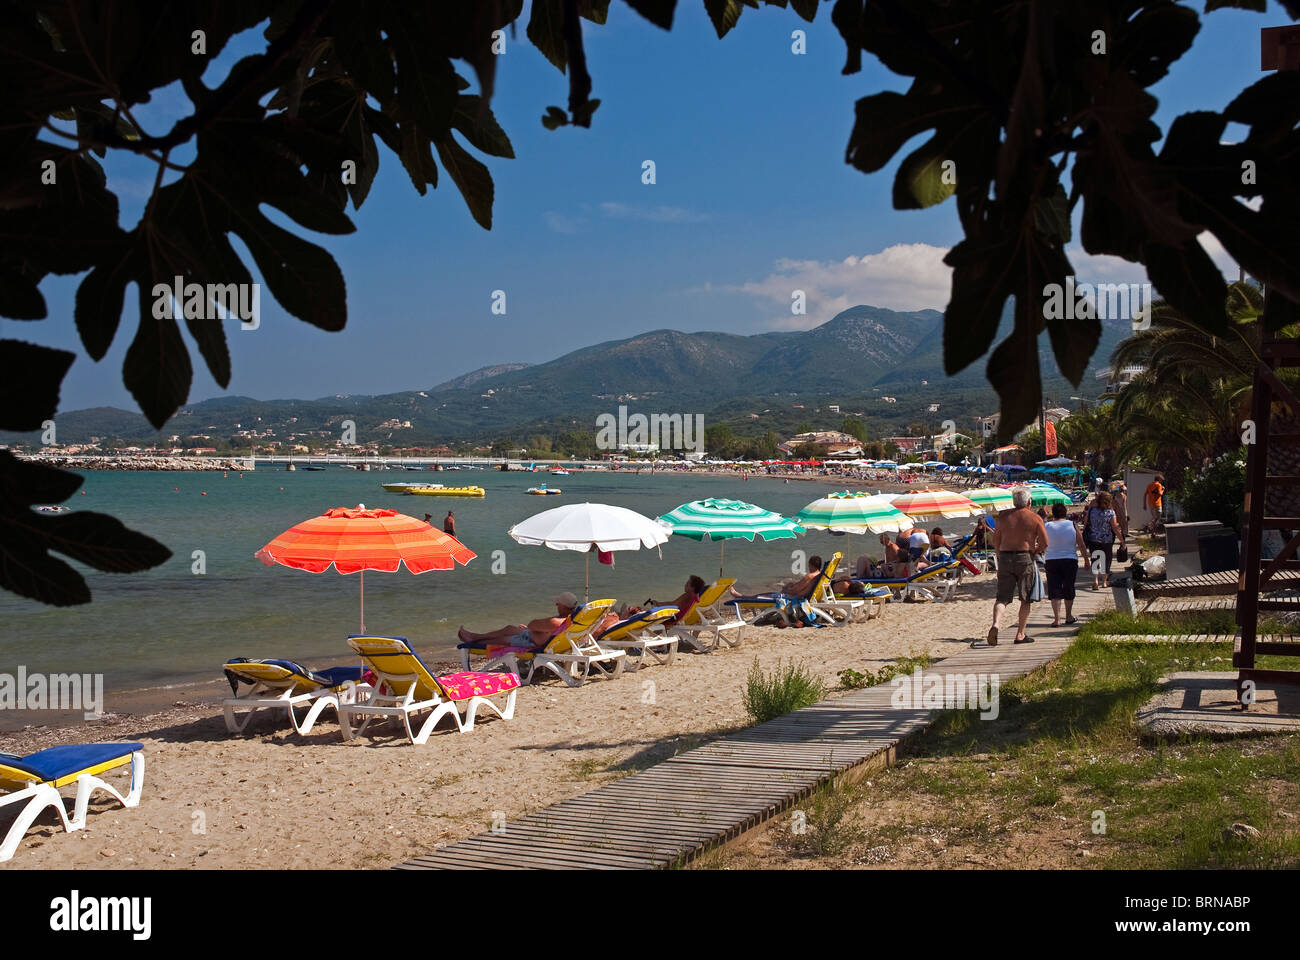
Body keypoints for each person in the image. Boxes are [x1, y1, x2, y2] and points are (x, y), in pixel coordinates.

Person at [987, 486, 1048, 647]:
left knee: (1002, 598)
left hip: (1006, 557)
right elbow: (1045, 542)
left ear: (1014, 502)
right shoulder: (1034, 518)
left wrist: (1000, 556)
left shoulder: (1003, 517)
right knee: (1025, 598)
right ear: (1029, 501)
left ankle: (996, 625)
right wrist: (1036, 551)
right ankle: (1020, 634)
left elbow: (996, 541)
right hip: (1024, 557)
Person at [458, 592, 580, 649]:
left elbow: (532, 624)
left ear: (564, 607)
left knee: (500, 640)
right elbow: (536, 629)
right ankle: (475, 636)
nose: (556, 605)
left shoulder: (556, 622)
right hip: (540, 638)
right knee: (509, 628)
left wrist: (531, 629)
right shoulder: (575, 618)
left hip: (532, 643)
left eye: (558, 604)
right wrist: (530, 630)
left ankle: (473, 642)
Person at [1044, 502, 1088, 627]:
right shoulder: (1072, 525)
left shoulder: (1047, 526)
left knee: (1054, 589)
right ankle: (1068, 616)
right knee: (1069, 587)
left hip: (1052, 559)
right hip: (1070, 559)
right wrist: (1086, 560)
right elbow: (1081, 543)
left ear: (1054, 514)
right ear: (1065, 513)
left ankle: (1057, 619)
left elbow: (1042, 542)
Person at [624, 575, 706, 626]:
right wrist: (658, 604)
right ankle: (629, 613)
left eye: (687, 584)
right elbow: (675, 605)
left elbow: (673, 604)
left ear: (693, 588)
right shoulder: (694, 596)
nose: (685, 585)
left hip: (670, 618)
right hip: (675, 617)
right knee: (638, 611)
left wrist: (658, 604)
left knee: (632, 611)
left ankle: (626, 616)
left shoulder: (687, 595)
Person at [1082, 491, 1122, 589]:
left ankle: (1095, 580)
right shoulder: (1111, 512)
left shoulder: (1092, 510)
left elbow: (1085, 522)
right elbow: (1114, 527)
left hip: (1093, 539)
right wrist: (1122, 540)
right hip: (1107, 540)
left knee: (1095, 558)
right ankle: (1104, 582)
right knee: (1106, 560)